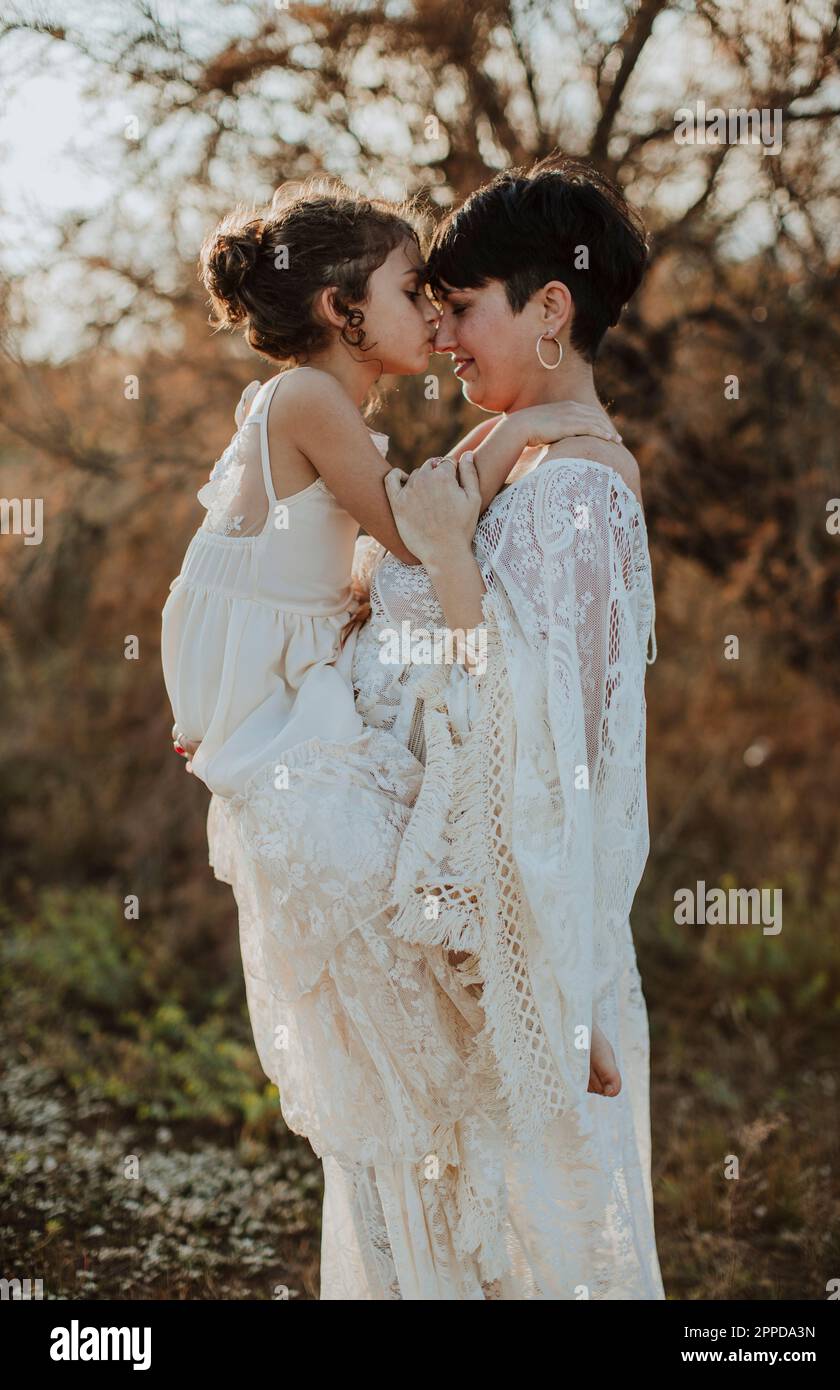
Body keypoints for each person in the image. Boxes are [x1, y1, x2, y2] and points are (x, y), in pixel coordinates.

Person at [161, 175, 621, 1298]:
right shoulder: (310, 400)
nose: (430, 313)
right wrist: (543, 424)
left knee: (425, 868)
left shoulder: (322, 408)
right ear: (338, 308)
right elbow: (421, 532)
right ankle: (549, 1006)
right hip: (277, 717)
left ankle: (543, 1005)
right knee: (419, 877)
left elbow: (375, 543)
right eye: (411, 290)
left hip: (276, 691)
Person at [337, 153, 665, 1299]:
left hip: (521, 933)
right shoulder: (521, 466)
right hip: (474, 924)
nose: (443, 335)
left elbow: (549, 747)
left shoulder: (574, 497)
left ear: (550, 309)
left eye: (463, 307)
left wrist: (433, 557)